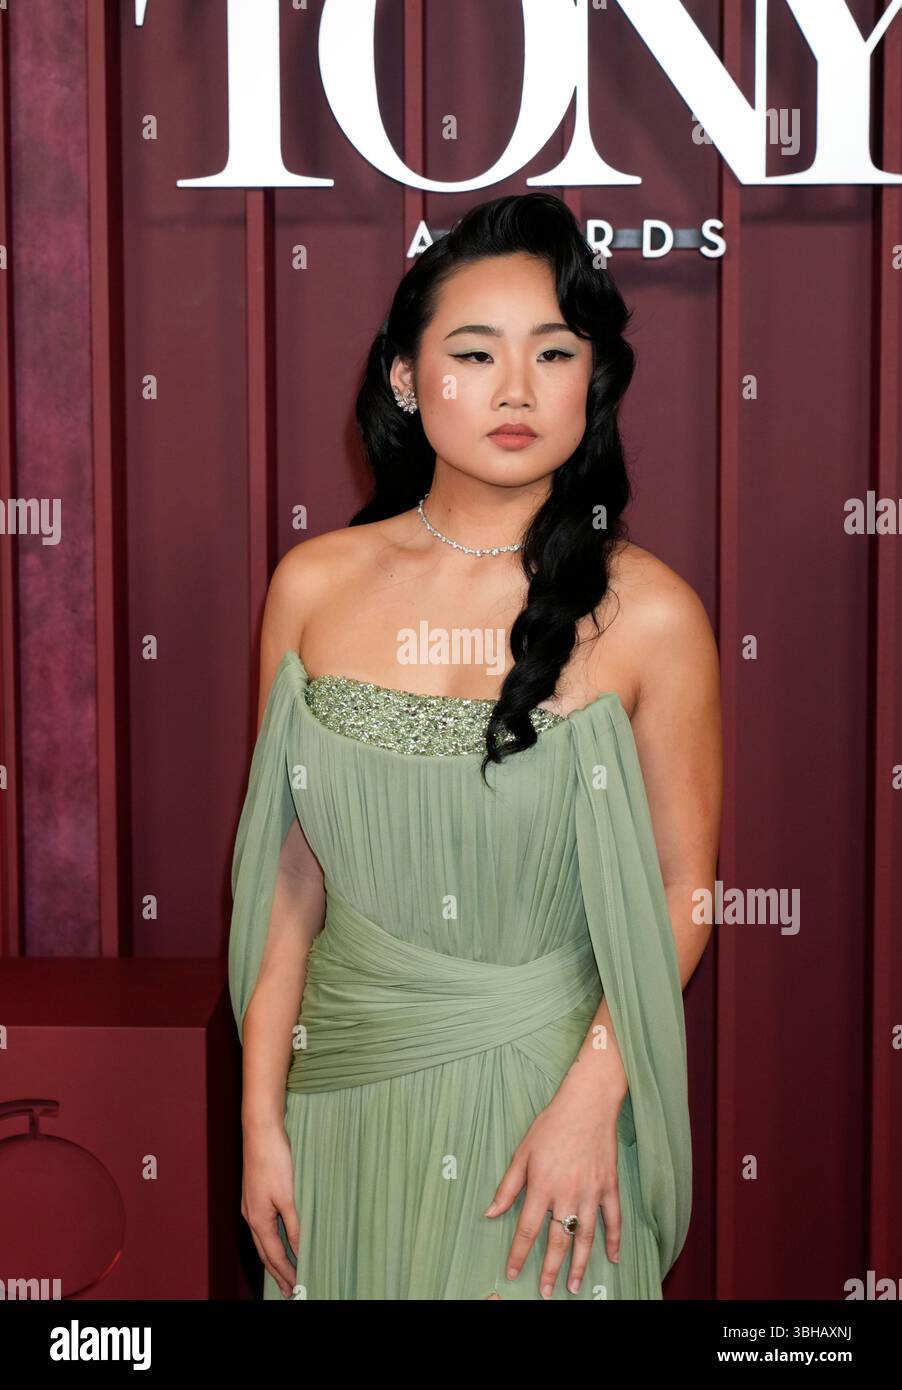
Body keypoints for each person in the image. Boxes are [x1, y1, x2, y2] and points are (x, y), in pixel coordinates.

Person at [228, 192, 722, 1301]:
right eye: (472, 351)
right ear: (404, 377)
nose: (513, 389)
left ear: (588, 382)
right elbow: (286, 882)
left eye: (552, 352)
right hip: (342, 1100)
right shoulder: (311, 588)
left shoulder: (648, 614)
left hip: (548, 1110)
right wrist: (260, 1123)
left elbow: (687, 886)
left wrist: (596, 1096)